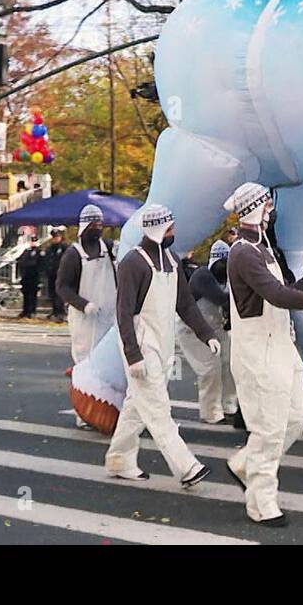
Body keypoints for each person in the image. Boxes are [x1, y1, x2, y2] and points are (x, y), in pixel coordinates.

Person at [222, 183, 303, 526]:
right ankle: (261, 503)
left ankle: (244, 464)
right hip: (258, 350)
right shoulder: (243, 252)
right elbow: (277, 296)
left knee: (296, 418)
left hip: (281, 343)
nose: (272, 210)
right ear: (256, 208)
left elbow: (283, 292)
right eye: (268, 204)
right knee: (268, 428)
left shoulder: (263, 248)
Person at [105, 204, 218, 488]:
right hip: (142, 345)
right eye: (169, 228)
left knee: (137, 404)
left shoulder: (171, 260)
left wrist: (206, 334)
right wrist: (133, 355)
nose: (173, 233)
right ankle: (186, 466)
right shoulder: (132, 262)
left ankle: (119, 458)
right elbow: (123, 312)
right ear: (156, 229)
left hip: (164, 343)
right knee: (157, 407)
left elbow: (186, 304)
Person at [55, 205, 118, 377]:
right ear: (84, 227)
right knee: (86, 359)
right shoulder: (73, 254)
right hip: (85, 319)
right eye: (93, 225)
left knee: (110, 360)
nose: (97, 229)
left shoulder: (109, 249)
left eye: (99, 225)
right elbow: (62, 287)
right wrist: (83, 305)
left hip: (110, 314)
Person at [184, 240, 238, 424]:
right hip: (191, 328)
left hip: (215, 327)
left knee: (230, 362)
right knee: (210, 367)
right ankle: (211, 412)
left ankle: (228, 405)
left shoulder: (228, 277)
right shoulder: (202, 276)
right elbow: (222, 299)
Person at [43, 227, 68, 321]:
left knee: (60, 294)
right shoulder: (50, 249)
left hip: (61, 274)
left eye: (57, 237)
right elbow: (47, 260)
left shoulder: (65, 248)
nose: (55, 239)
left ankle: (61, 312)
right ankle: (55, 311)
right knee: (52, 293)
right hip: (52, 274)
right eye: (54, 237)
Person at [17, 235, 42, 319]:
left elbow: (37, 264)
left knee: (33, 295)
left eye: (35, 241)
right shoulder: (26, 251)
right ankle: (25, 310)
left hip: (34, 276)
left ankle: (32, 311)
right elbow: (21, 261)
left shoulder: (39, 252)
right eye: (32, 241)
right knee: (26, 294)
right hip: (26, 276)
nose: (33, 243)